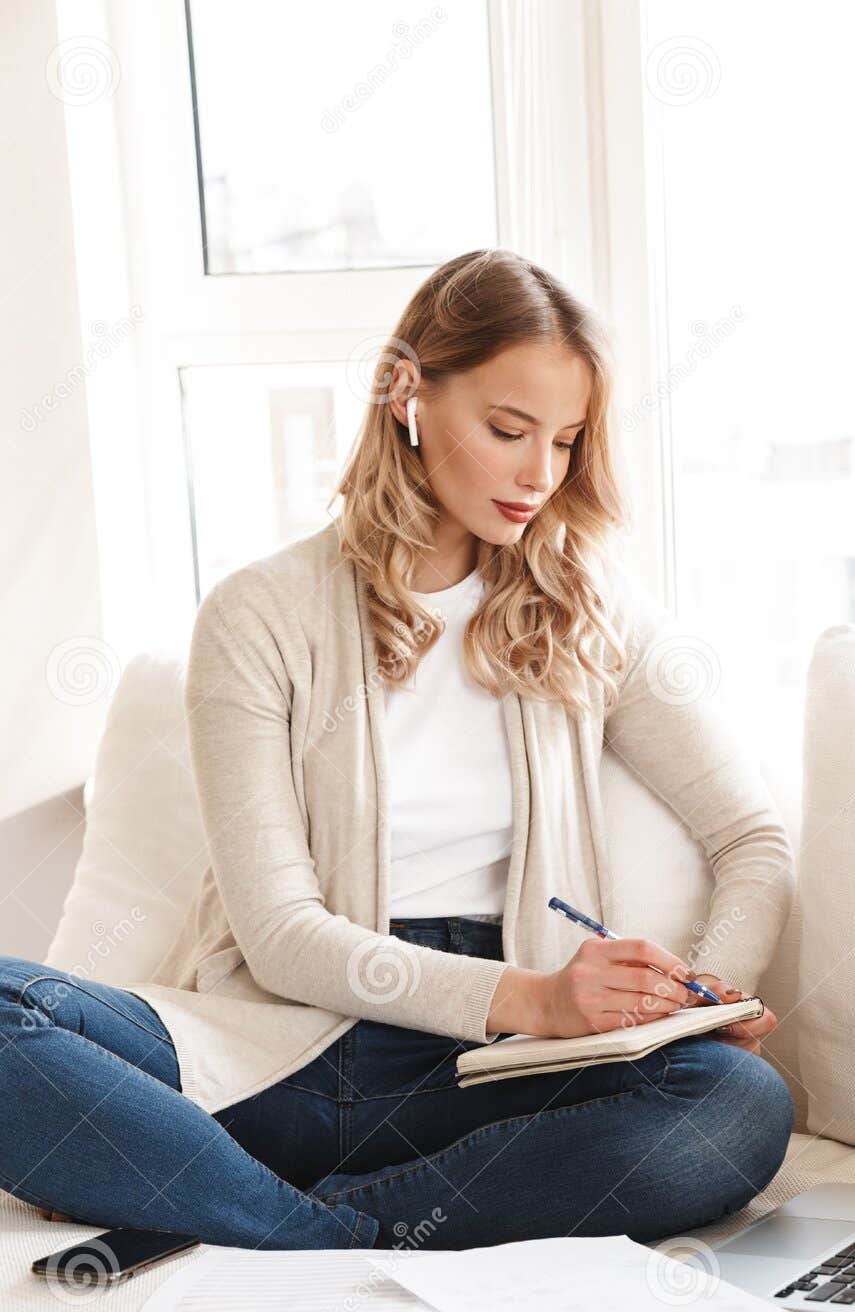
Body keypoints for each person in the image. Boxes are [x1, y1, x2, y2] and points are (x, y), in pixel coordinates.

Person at [0, 248, 796, 1253]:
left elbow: (750, 837)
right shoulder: (261, 614)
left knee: (737, 1103)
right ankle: (303, 1221)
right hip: (279, 1046)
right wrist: (535, 998)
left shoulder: (591, 609)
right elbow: (282, 931)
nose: (538, 476)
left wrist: (697, 1003)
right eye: (507, 430)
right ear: (407, 395)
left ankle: (263, 1210)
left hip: (491, 1069)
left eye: (564, 440)